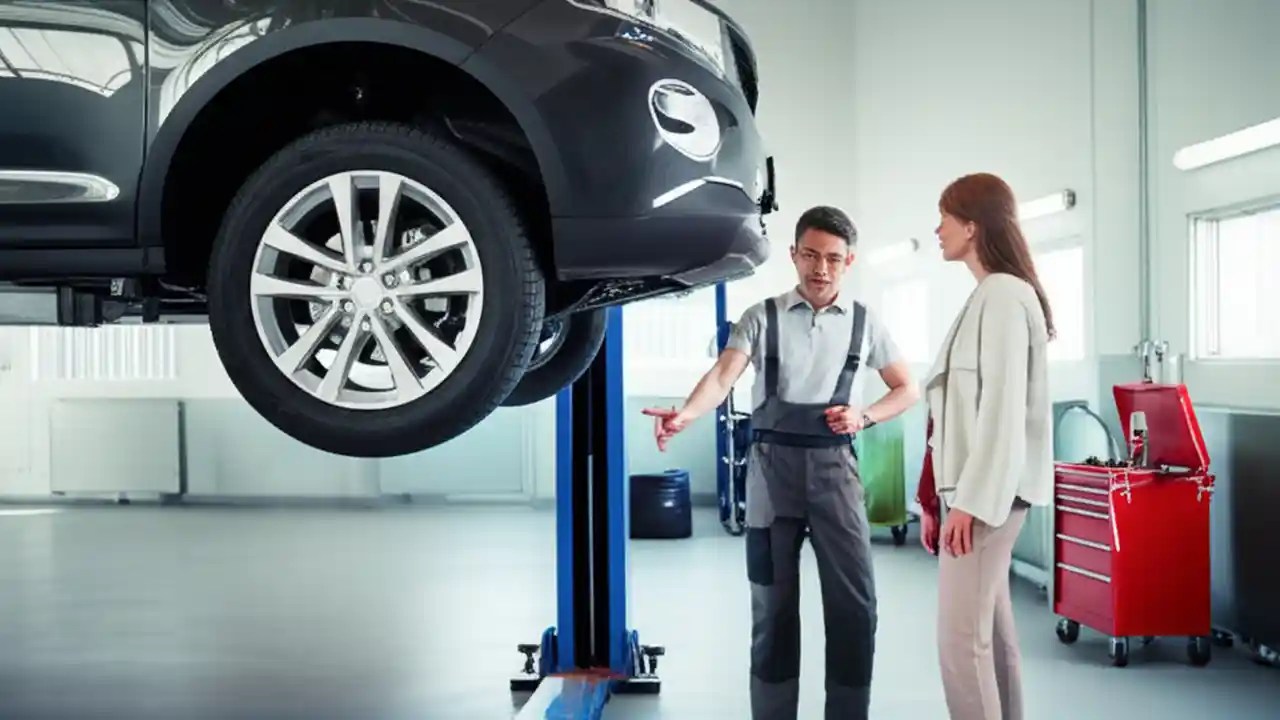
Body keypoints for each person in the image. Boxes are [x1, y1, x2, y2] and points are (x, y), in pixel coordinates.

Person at [643, 206, 919, 720]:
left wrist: (865, 415)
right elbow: (723, 376)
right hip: (771, 478)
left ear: (849, 261)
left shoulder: (865, 323)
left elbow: (908, 388)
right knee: (772, 609)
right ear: (794, 255)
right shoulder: (760, 317)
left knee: (855, 607)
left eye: (833, 259)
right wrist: (686, 413)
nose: (821, 268)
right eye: (811, 255)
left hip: (836, 474)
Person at [916, 172, 1054, 720]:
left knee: (959, 644)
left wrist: (968, 503)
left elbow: (1000, 410)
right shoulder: (994, 294)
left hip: (986, 498)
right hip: (986, 493)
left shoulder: (1001, 295)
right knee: (992, 640)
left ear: (971, 226)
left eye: (944, 217)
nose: (938, 228)